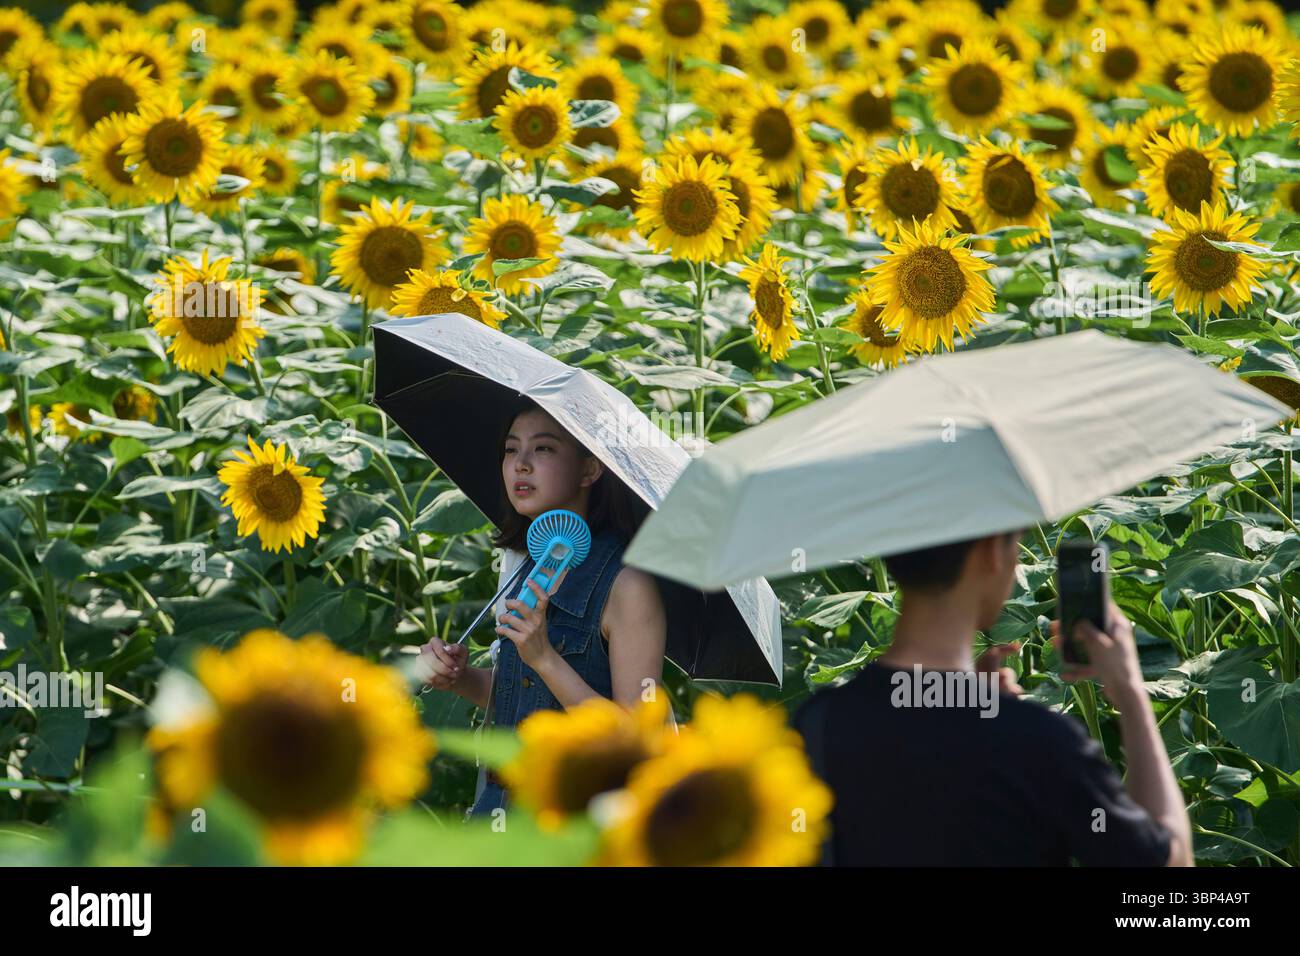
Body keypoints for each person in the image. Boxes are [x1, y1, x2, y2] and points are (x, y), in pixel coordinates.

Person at [792, 529, 1194, 866]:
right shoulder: (1042, 744)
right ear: (990, 552)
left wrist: (961, 700)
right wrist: (1131, 694)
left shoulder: (815, 725)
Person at [418, 396, 670, 817]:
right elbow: (522, 700)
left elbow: (636, 739)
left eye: (544, 448)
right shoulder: (527, 563)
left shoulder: (628, 587)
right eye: (511, 449)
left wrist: (545, 659)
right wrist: (460, 678)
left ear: (590, 468)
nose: (521, 464)